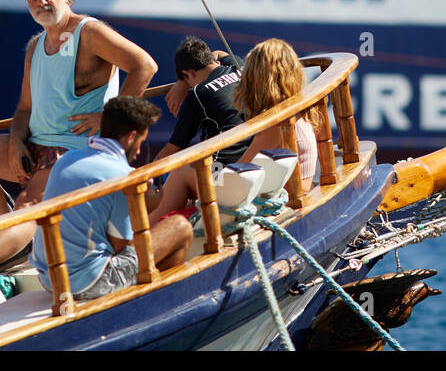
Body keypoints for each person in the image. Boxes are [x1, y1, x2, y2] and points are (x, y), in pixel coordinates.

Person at [0, 0, 157, 273]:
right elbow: (24, 109)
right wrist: (15, 143)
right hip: (36, 146)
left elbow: (144, 65)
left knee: (29, 205)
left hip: (72, 148)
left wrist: (109, 117)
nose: (41, 1)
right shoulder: (35, 46)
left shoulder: (88, 32)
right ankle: (9, 239)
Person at [33, 96, 191, 301]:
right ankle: (163, 303)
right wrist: (146, 206)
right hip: (88, 281)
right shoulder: (123, 176)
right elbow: (119, 247)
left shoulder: (66, 159)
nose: (140, 150)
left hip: (50, 279)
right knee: (180, 227)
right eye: (141, 142)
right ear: (131, 137)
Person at [148, 37, 249, 223]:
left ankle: (138, 235)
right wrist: (183, 83)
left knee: (180, 170)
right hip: (250, 162)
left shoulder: (198, 94)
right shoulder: (237, 66)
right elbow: (219, 52)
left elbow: (172, 150)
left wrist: (146, 176)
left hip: (224, 171)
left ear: (188, 73)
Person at [231, 38, 318, 193]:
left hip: (289, 198)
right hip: (303, 189)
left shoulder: (277, 123)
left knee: (185, 172)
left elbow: (237, 173)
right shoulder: (297, 109)